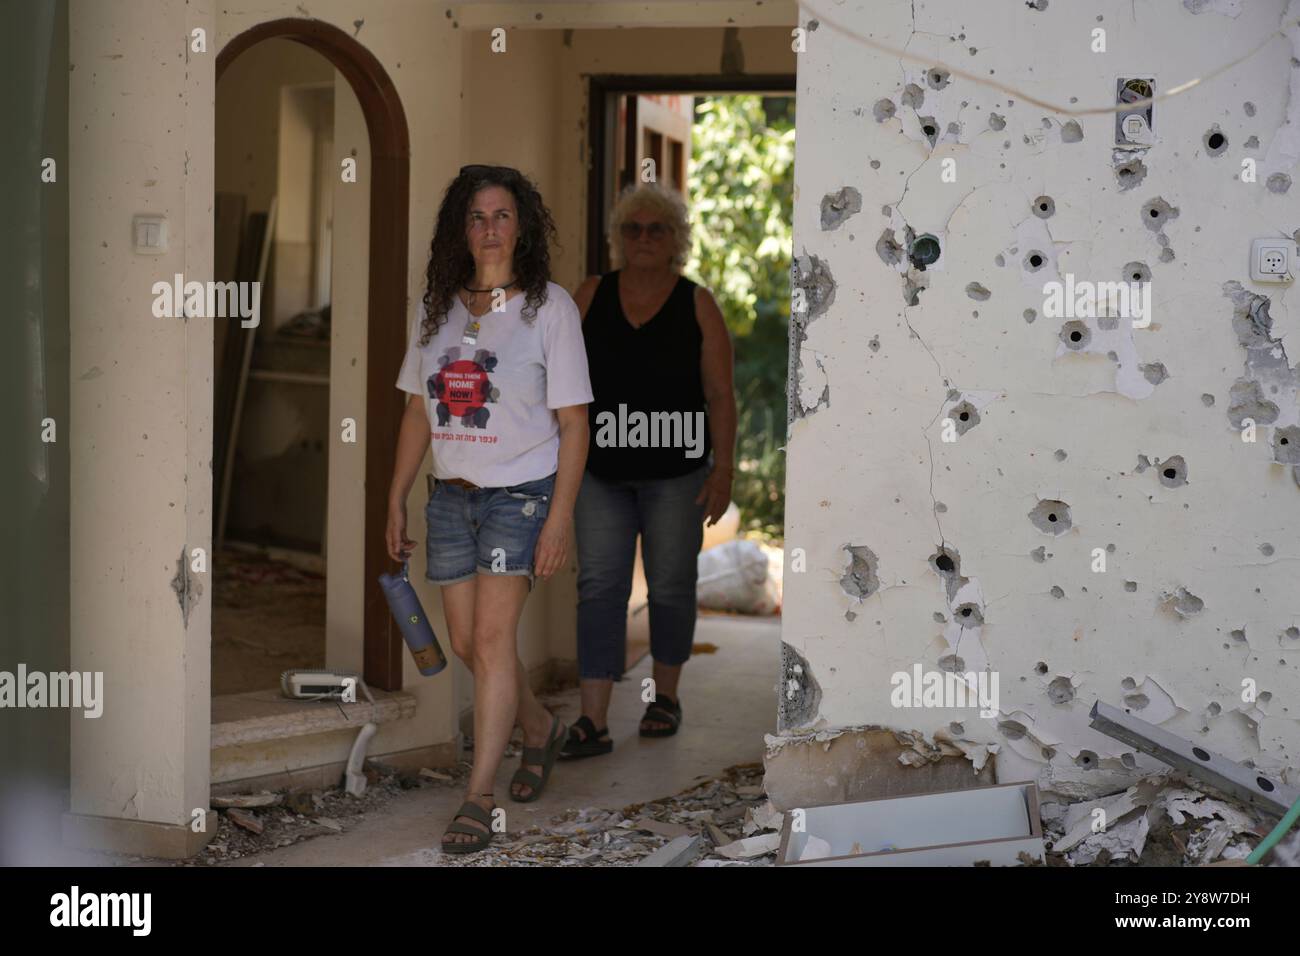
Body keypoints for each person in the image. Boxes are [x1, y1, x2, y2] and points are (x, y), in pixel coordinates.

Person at [387, 165, 592, 853]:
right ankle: (539, 727)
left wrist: (559, 518)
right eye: (477, 216)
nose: (490, 228)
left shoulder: (549, 308)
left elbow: (574, 425)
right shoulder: (437, 308)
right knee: (469, 644)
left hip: (521, 495)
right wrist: (395, 497)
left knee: (494, 640)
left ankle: (478, 798)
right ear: (461, 228)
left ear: (522, 226)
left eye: (502, 215)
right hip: (450, 496)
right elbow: (416, 410)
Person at [562, 182, 736, 759]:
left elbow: (721, 394)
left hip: (677, 474)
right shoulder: (591, 294)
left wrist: (723, 471)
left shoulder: (697, 303)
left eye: (656, 229)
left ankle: (664, 698)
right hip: (599, 472)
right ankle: (593, 720)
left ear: (675, 239)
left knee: (670, 585)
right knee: (599, 587)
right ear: (618, 237)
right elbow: (555, 376)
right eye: (632, 228)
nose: (643, 238)